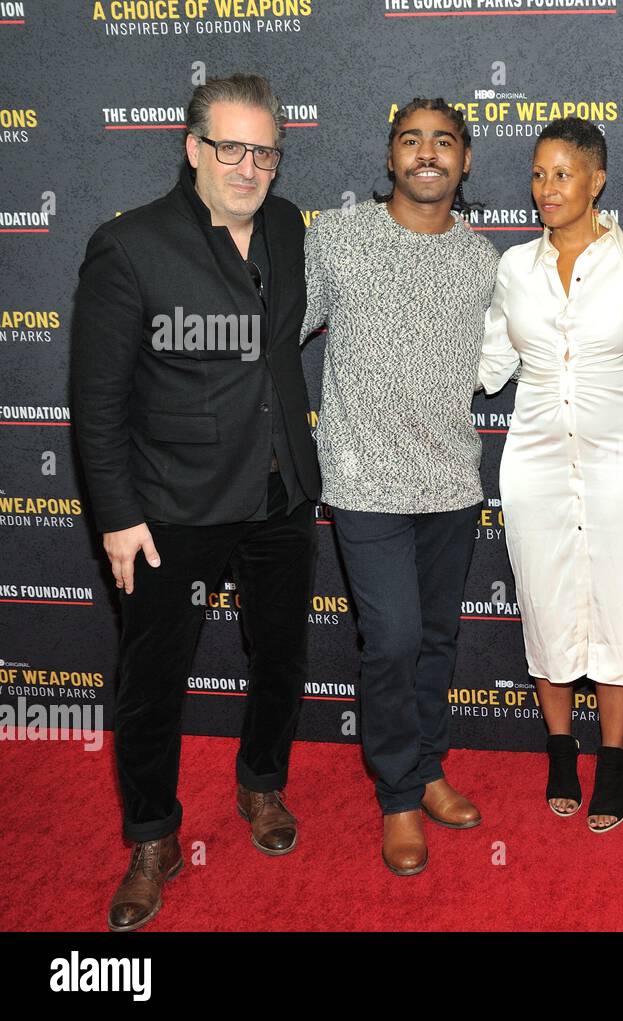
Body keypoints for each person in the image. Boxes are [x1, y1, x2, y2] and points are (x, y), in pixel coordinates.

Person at [71, 73, 320, 931]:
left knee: (281, 656)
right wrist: (116, 513)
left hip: (281, 492)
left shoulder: (288, 228)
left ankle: (261, 785)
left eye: (265, 151)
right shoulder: (131, 244)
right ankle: (153, 837)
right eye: (230, 148)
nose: (248, 167)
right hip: (170, 508)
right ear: (193, 149)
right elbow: (97, 400)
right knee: (153, 681)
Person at [478, 118, 623, 833]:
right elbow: (486, 366)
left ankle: (614, 756)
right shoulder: (513, 268)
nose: (547, 189)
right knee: (544, 601)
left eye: (563, 174)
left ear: (598, 181)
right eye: (538, 175)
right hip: (534, 459)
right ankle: (560, 748)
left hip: (622, 459)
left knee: (618, 603)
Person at [301, 98, 497, 876]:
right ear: (390, 158)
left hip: (451, 479)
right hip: (362, 478)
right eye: (411, 141)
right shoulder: (339, 237)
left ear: (465, 161)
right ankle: (400, 798)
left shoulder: (482, 258)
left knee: (438, 639)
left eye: (443, 142)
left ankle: (430, 763)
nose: (427, 154)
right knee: (392, 640)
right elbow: (287, 331)